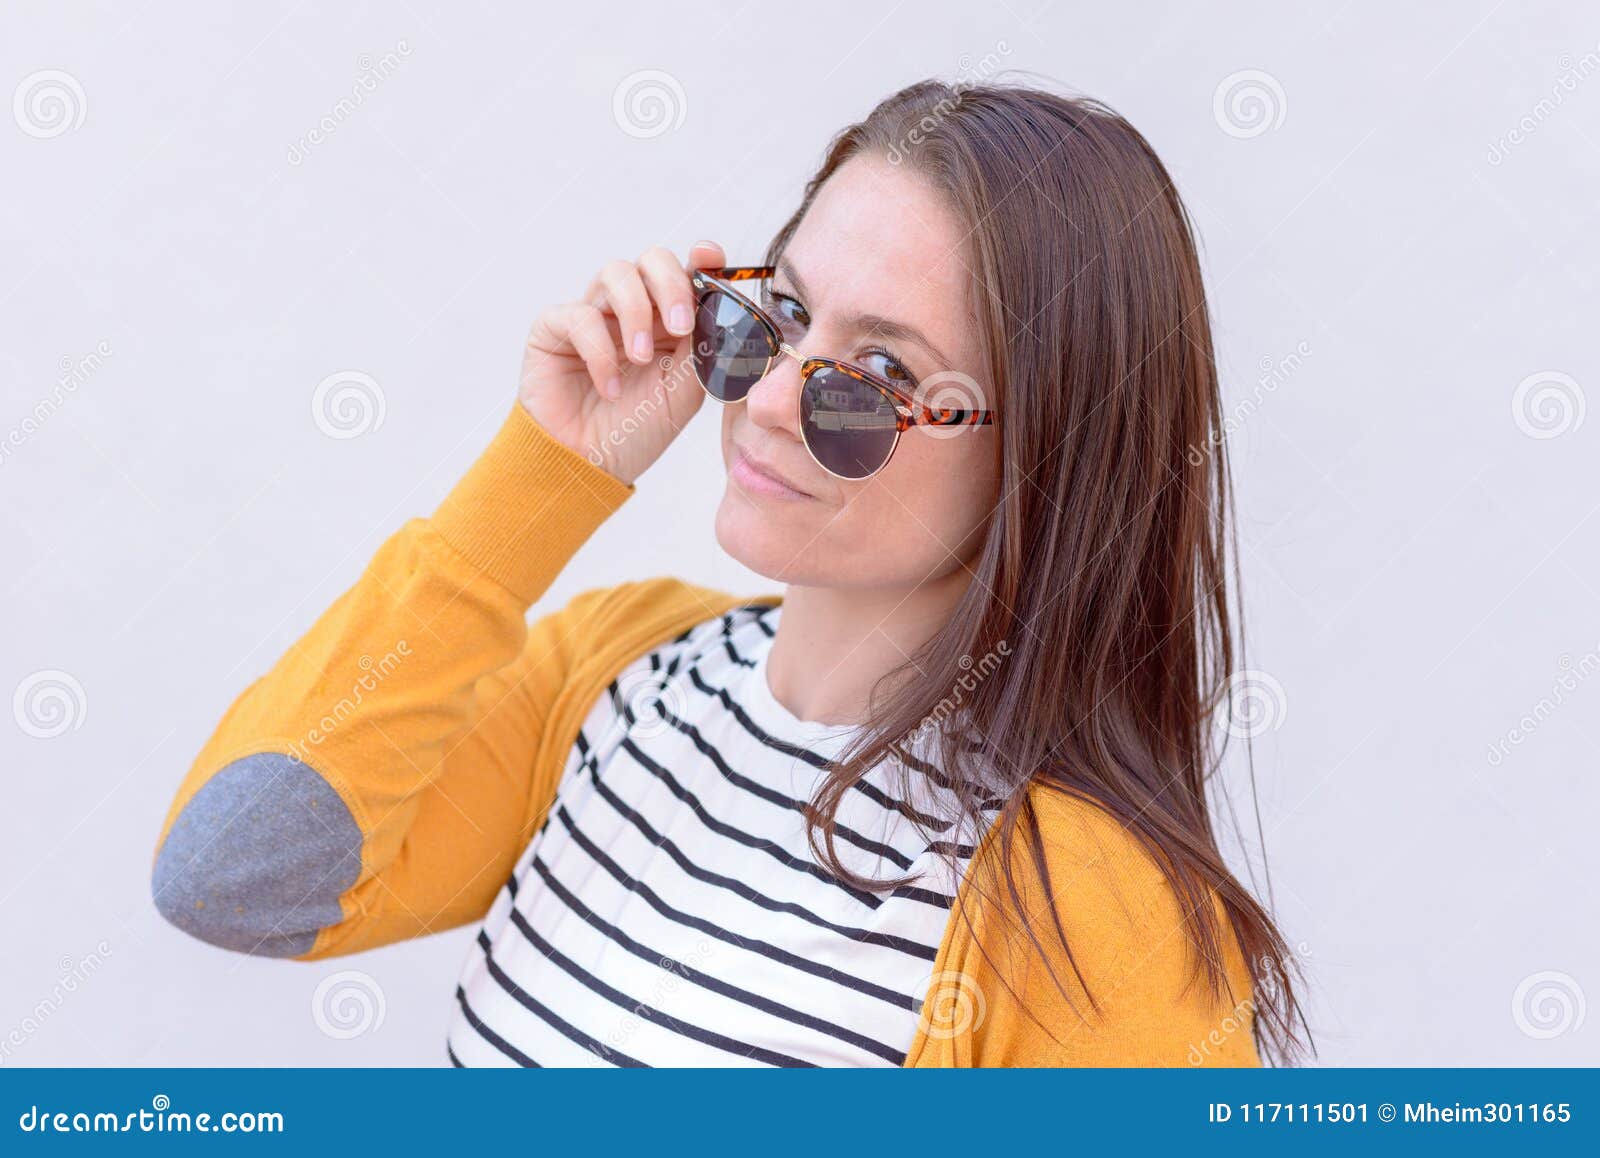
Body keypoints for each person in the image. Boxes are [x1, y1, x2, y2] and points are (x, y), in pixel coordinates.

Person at [152, 79, 1304, 1067]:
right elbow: (236, 877)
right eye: (779, 314)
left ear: (1048, 450)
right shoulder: (624, 672)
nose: (761, 399)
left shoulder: (1092, 909)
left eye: (877, 372)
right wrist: (543, 479)